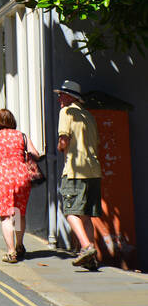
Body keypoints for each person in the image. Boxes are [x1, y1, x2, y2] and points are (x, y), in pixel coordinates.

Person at [56, 79, 103, 270]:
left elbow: (64, 139)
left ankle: (86, 247)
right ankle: (91, 258)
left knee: (70, 212)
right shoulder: (89, 116)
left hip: (75, 170)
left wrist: (60, 147)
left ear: (70, 97)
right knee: (86, 215)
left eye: (61, 94)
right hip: (94, 170)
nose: (59, 97)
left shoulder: (66, 112)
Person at [0, 108, 42, 262]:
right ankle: (19, 244)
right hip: (21, 176)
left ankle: (11, 252)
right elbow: (35, 153)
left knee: (6, 216)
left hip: (2, 177)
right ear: (12, 121)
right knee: (18, 213)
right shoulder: (21, 136)